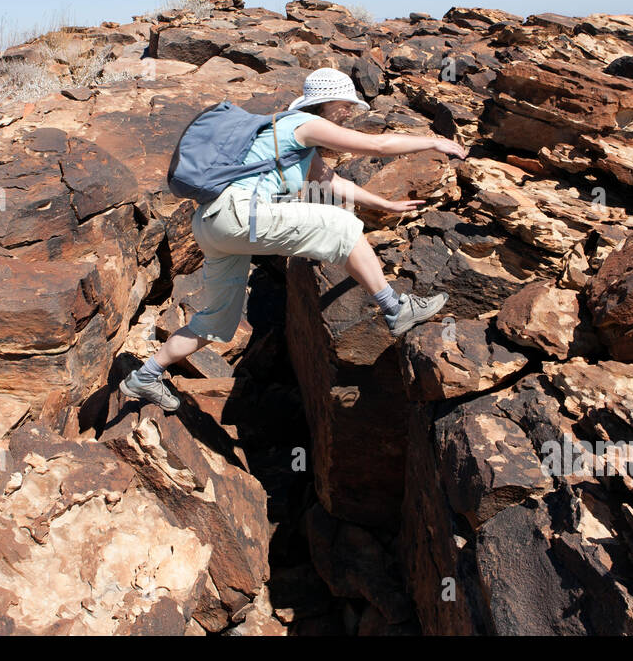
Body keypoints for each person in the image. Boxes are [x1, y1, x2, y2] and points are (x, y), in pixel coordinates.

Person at [119, 67, 468, 412]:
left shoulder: (292, 135)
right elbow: (376, 144)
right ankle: (396, 308)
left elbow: (331, 184)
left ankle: (146, 376)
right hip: (241, 214)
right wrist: (434, 141)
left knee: (215, 321)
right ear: (325, 102)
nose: (349, 111)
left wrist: (385, 203)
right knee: (343, 224)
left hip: (212, 225)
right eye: (345, 104)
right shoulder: (307, 124)